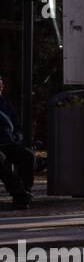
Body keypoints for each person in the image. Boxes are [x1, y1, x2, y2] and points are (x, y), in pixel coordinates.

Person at [0, 74, 34, 209]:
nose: (1, 86)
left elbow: (17, 126)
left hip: (8, 143)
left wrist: (17, 136)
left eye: (1, 83)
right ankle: (19, 194)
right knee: (0, 160)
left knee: (28, 156)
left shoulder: (5, 104)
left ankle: (25, 193)